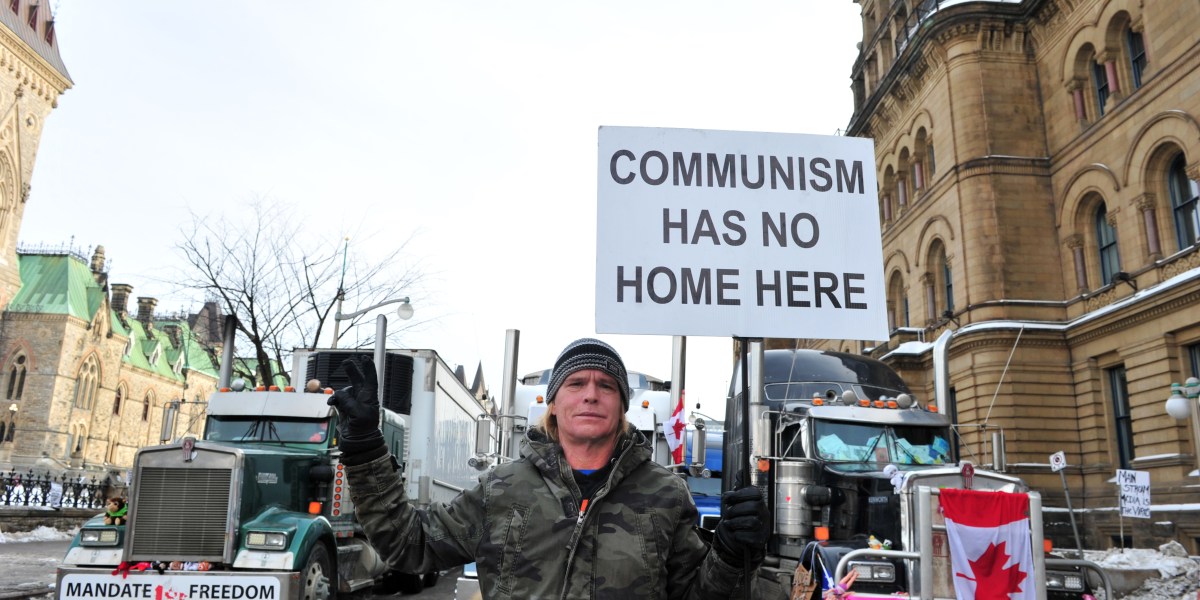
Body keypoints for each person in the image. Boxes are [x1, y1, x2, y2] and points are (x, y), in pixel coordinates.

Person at [329, 337, 770, 599]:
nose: (591, 394)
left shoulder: (666, 495)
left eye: (606, 386)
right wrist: (367, 447)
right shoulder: (502, 489)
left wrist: (731, 554)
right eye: (576, 384)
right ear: (554, 404)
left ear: (622, 407)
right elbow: (411, 545)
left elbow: (697, 595)